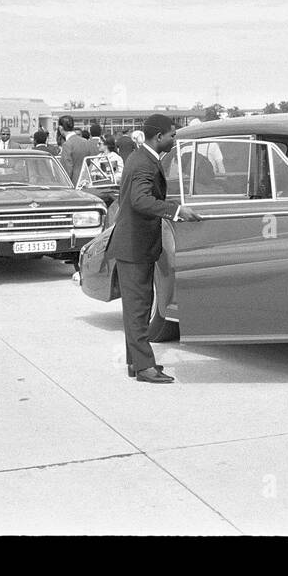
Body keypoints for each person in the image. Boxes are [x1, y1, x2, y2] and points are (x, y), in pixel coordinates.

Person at [108, 114, 202, 383]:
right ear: (158, 137)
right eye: (172, 135)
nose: (174, 139)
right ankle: (144, 367)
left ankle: (136, 363)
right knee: (139, 308)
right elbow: (140, 201)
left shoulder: (142, 159)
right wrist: (176, 211)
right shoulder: (144, 165)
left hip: (134, 246)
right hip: (134, 247)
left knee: (136, 307)